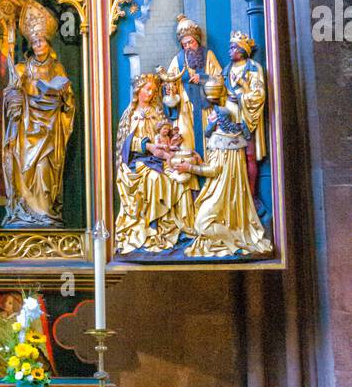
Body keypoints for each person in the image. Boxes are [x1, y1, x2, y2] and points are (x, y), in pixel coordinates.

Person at [176, 78, 272, 258]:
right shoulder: (233, 138)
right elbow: (217, 166)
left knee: (201, 224)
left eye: (212, 117)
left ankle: (234, 240)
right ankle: (232, 236)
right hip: (227, 190)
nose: (209, 119)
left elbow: (214, 171)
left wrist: (188, 167)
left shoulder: (221, 141)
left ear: (219, 120)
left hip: (221, 194)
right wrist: (198, 160)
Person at [2, 0, 75, 227]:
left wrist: (64, 96)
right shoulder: (23, 69)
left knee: (44, 170)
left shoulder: (57, 69)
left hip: (50, 131)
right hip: (27, 130)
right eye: (34, 42)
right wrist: (15, 99)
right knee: (26, 170)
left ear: (48, 42)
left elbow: (69, 104)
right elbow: (10, 96)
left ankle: (45, 212)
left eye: (41, 41)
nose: (38, 45)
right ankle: (25, 211)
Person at [114, 73, 198, 254]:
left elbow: (164, 135)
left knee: (181, 178)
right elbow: (125, 145)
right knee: (154, 179)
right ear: (138, 91)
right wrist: (148, 146)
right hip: (139, 160)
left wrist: (172, 139)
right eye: (147, 89)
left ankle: (178, 227)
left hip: (159, 157)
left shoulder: (157, 112)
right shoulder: (132, 115)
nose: (150, 93)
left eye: (153, 90)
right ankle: (152, 228)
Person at [163, 15, 222, 157]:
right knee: (185, 139)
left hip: (204, 105)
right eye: (185, 44)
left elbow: (219, 78)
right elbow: (169, 80)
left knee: (208, 139)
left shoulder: (208, 55)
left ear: (197, 40)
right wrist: (170, 87)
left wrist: (202, 78)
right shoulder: (177, 59)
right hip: (185, 106)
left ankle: (208, 168)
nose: (188, 46)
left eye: (191, 42)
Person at [224, 30, 267, 198]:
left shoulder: (253, 68)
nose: (230, 51)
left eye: (233, 47)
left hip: (246, 116)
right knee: (232, 156)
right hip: (228, 115)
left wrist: (241, 96)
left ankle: (251, 194)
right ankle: (234, 195)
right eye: (229, 48)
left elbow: (259, 93)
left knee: (249, 155)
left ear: (241, 49)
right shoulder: (227, 69)